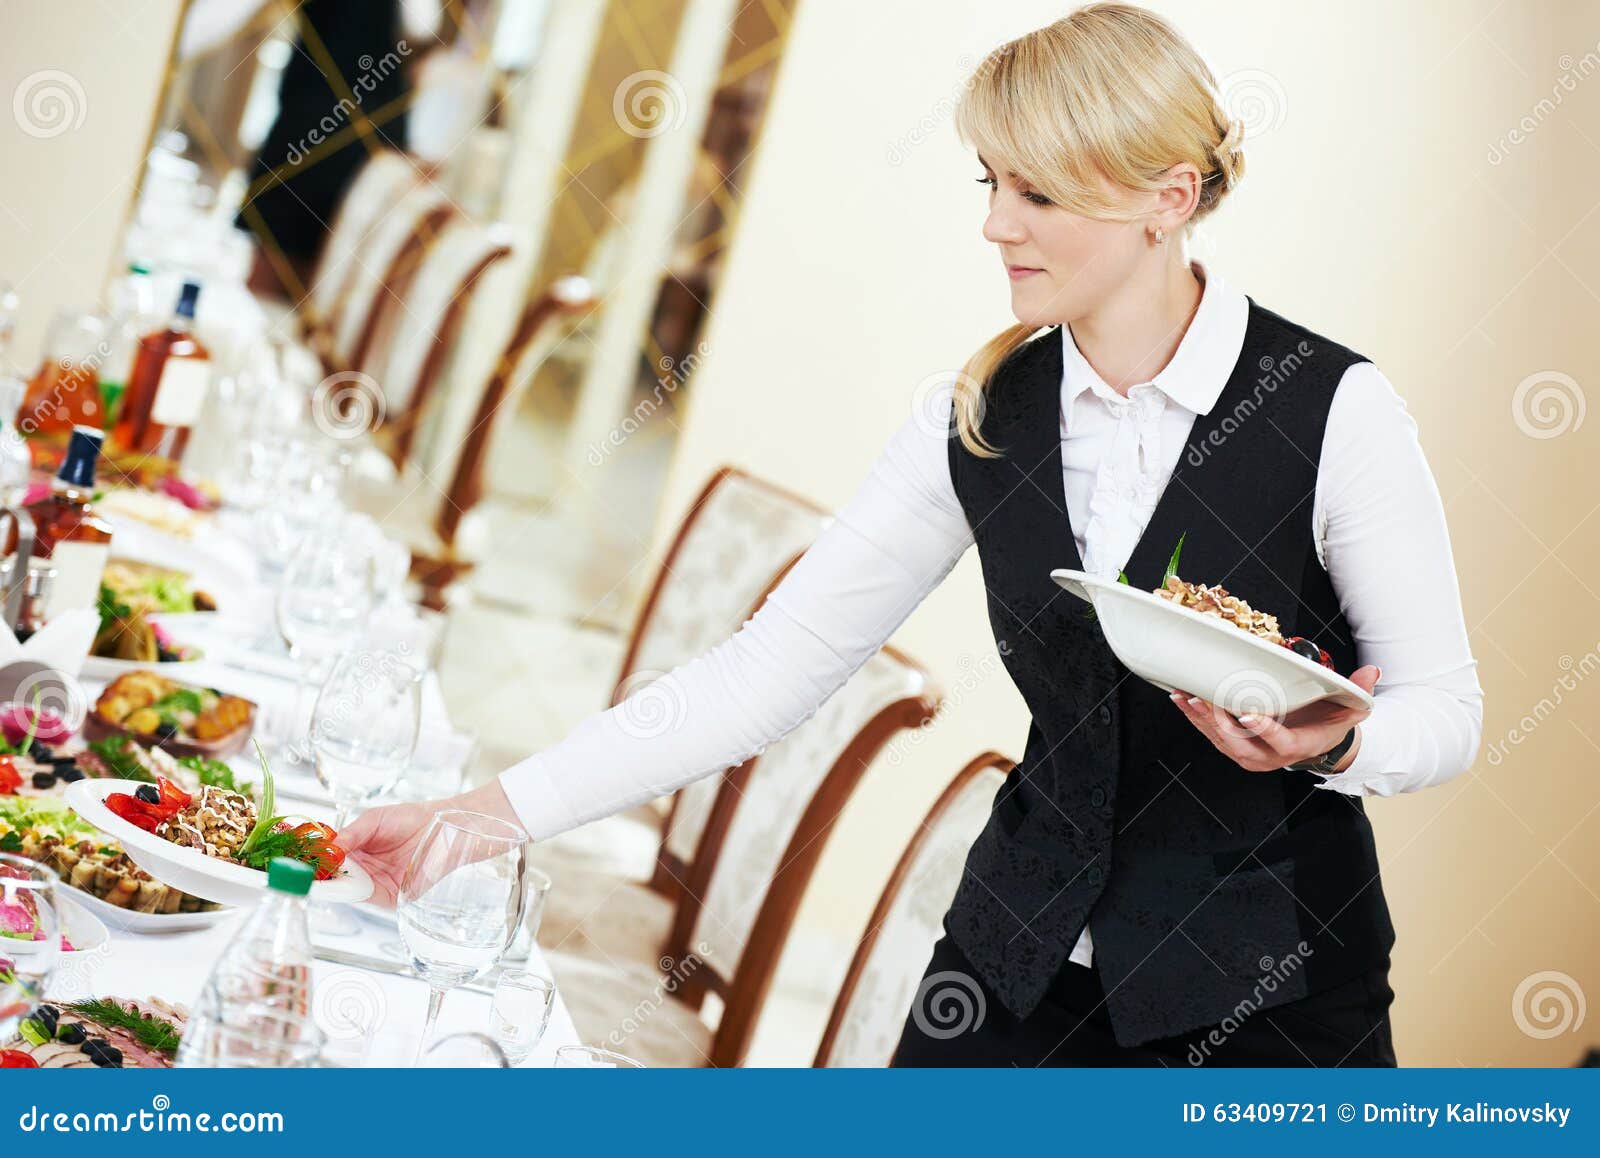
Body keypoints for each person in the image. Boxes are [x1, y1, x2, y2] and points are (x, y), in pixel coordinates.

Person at [344, 3, 1482, 1067]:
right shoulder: (978, 418)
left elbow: (1446, 712)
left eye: (1036, 195)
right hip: (1010, 971)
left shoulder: (1332, 408)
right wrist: (484, 815)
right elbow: (765, 669)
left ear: (1168, 197)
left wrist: (1332, 748)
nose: (994, 224)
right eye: (991, 182)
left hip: (1270, 1004)